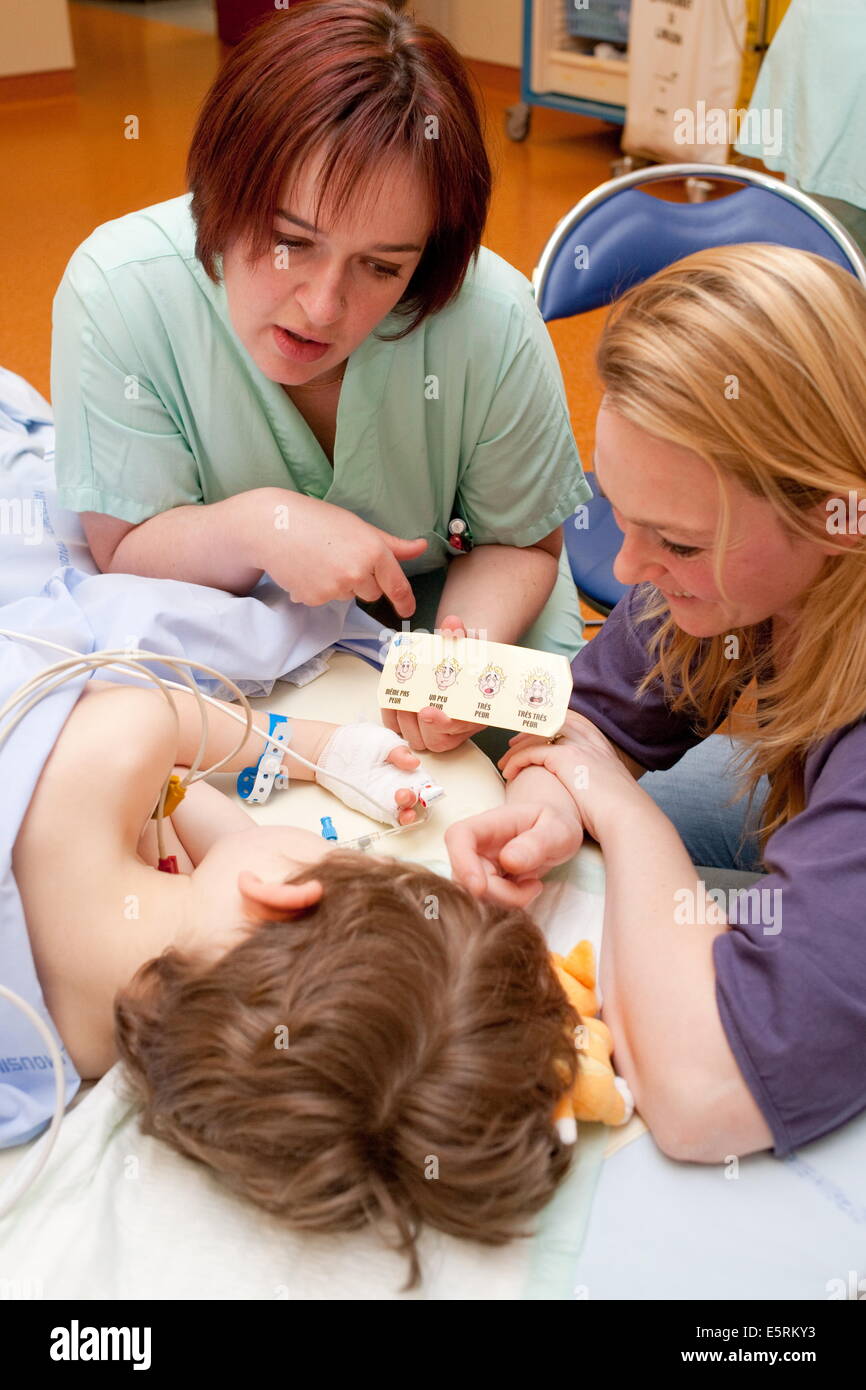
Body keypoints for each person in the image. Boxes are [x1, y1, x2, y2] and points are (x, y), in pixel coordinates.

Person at [50, 0, 592, 760]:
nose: (323, 305)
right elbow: (125, 544)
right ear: (221, 184)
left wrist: (450, 669)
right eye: (290, 243)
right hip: (231, 642)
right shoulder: (120, 290)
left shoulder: (489, 316)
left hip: (465, 623)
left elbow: (521, 544)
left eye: (382, 267)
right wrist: (257, 524)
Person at [446, 243, 866, 1164]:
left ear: (833, 516)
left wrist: (621, 812)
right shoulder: (753, 567)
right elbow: (586, 718)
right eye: (620, 517)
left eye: (673, 541)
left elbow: (703, 1102)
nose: (629, 572)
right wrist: (552, 805)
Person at [11, 676, 578, 1286]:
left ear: (279, 895)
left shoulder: (128, 737)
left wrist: (322, 749)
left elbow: (167, 722)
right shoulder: (60, 1067)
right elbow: (203, 871)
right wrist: (252, 864)